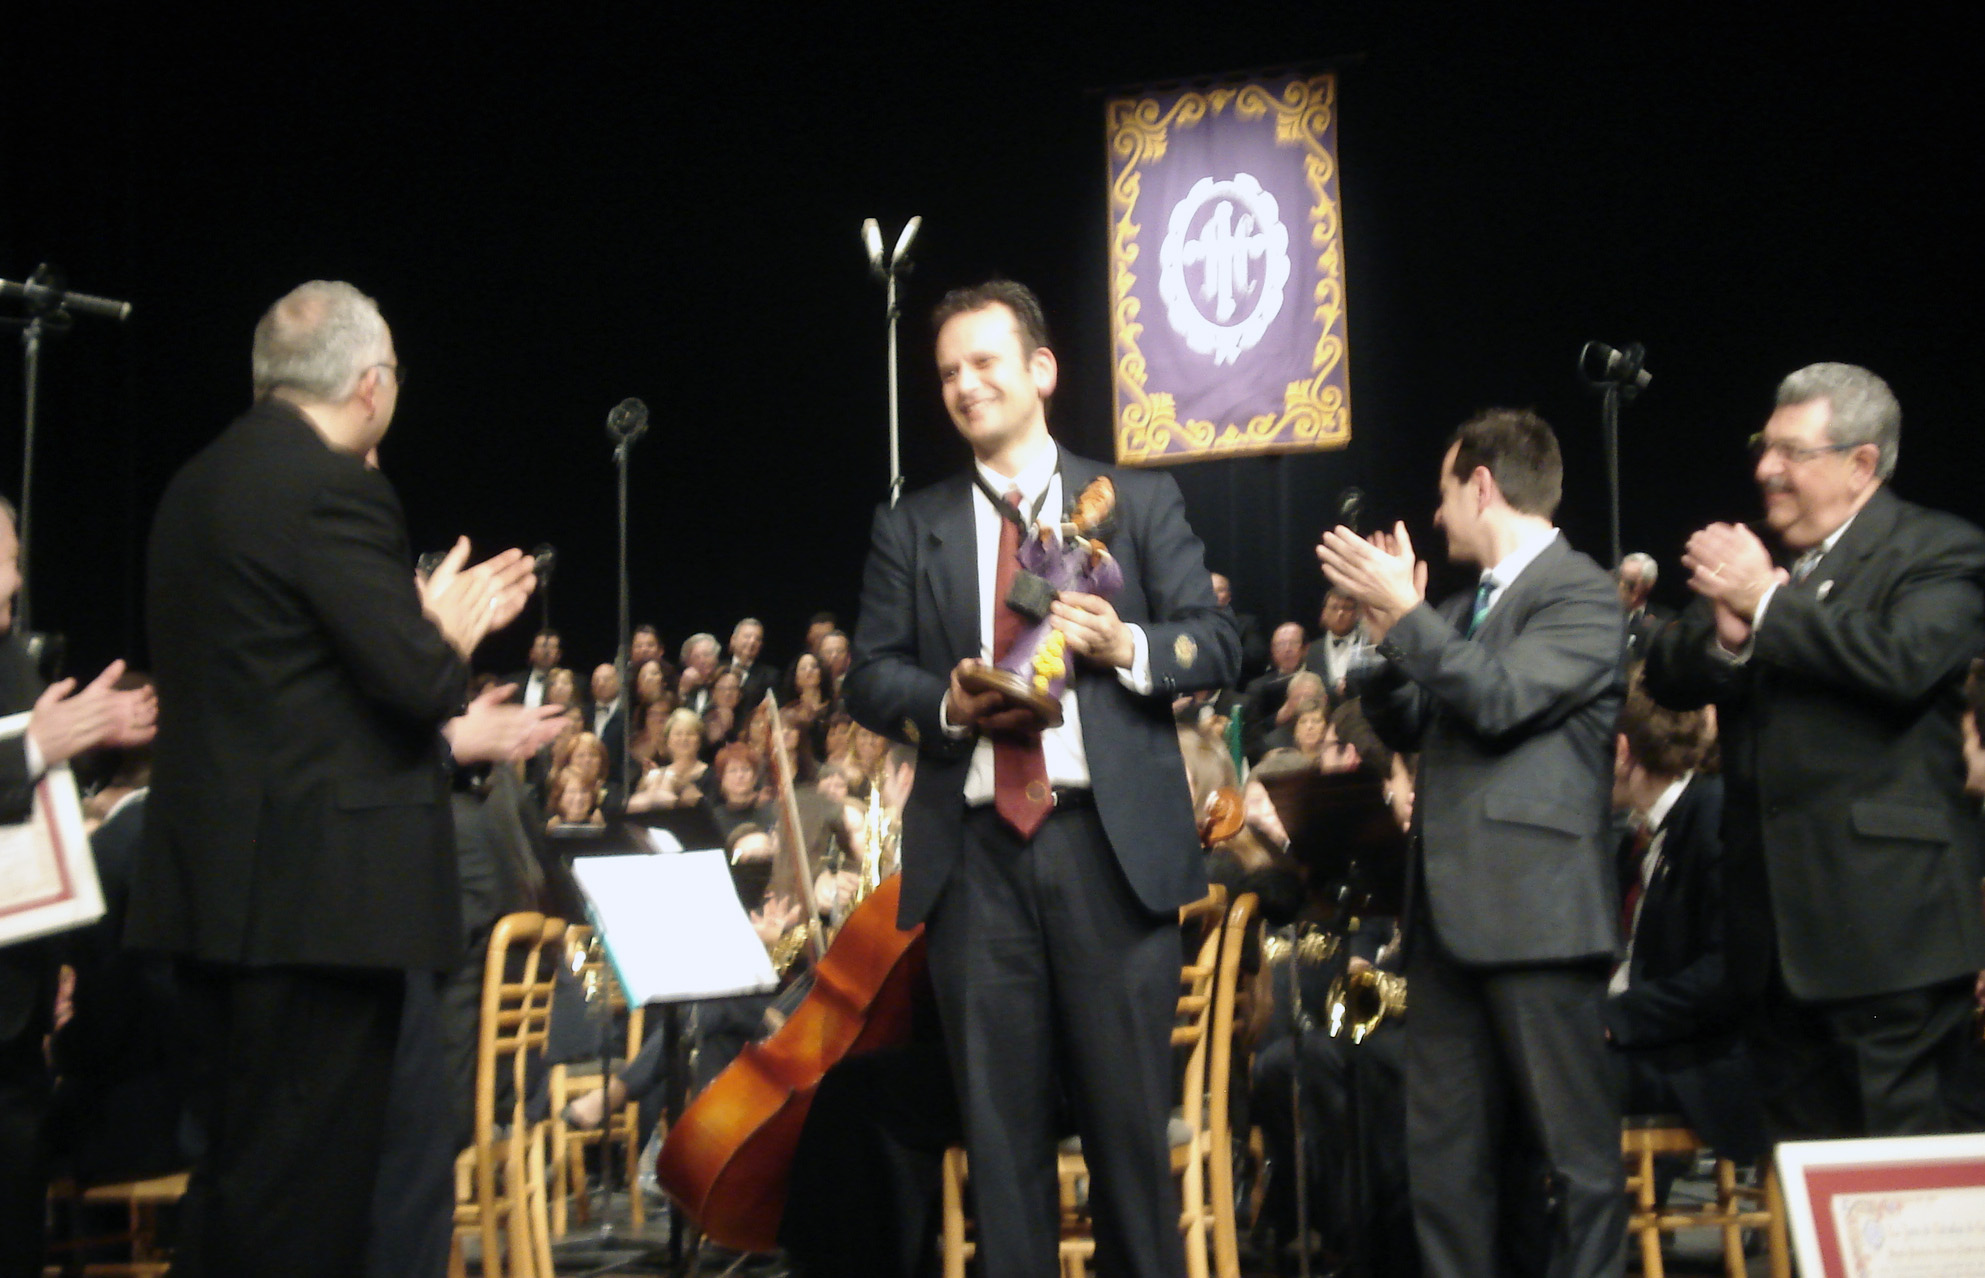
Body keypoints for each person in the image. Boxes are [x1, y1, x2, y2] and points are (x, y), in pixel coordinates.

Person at [130, 280, 557, 1277]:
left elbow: (288, 697)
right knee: (309, 1207)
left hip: (207, 896)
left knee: (236, 1188)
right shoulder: (335, 489)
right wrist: (443, 629)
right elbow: (418, 682)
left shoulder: (192, 488)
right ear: (372, 386)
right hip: (317, 913)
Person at [845, 279, 1238, 1278]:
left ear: (1041, 370)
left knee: (1128, 1150)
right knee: (1000, 1154)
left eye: (984, 362)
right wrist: (945, 704)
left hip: (1109, 856)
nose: (964, 385)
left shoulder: (1138, 499)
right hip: (975, 865)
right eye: (947, 372)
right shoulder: (912, 525)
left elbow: (1215, 640)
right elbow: (868, 676)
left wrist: (1126, 643)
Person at [1317, 407, 1627, 1278]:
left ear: (1481, 486)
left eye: (1444, 493)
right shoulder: (1459, 607)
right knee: (1445, 1174)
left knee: (1572, 1166)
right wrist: (1386, 635)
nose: (1437, 512)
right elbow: (1409, 717)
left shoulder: (1579, 594)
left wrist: (1409, 614)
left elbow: (1497, 698)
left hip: (1539, 923)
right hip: (1447, 926)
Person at [1643, 362, 1985, 1142]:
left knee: (1897, 1182)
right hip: (1769, 949)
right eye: (1763, 447)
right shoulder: (1757, 560)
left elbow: (1901, 661)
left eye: (1791, 452)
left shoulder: (1937, 549)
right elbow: (1665, 671)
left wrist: (1764, 603)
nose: (1765, 468)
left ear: (1860, 464)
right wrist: (1728, 640)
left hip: (1888, 942)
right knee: (1798, 1177)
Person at [0, 497, 158, 1278]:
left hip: (18, 1007)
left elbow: (38, 824)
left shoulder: (11, 658)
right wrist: (33, 748)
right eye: (2, 560)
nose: (15, 578)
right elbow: (24, 758)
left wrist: (58, 955)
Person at [1603, 677, 1764, 1176]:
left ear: (1622, 751)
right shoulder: (1646, 832)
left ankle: (1581, 1217)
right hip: (1654, 1042)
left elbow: (1726, 974)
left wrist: (1614, 1019)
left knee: (1544, 1078)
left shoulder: (1715, 816)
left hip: (1700, 1062)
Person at [1302, 587, 1366, 699]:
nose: (1340, 613)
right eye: (1334, 608)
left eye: (1346, 608)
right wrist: (1334, 692)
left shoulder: (1367, 644)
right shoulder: (1313, 650)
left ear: (1356, 613)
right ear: (1324, 613)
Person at [1614, 553, 1669, 661]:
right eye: (1618, 579)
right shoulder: (1601, 613)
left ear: (1649, 584)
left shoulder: (1663, 622)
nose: (1621, 587)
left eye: (1630, 583)